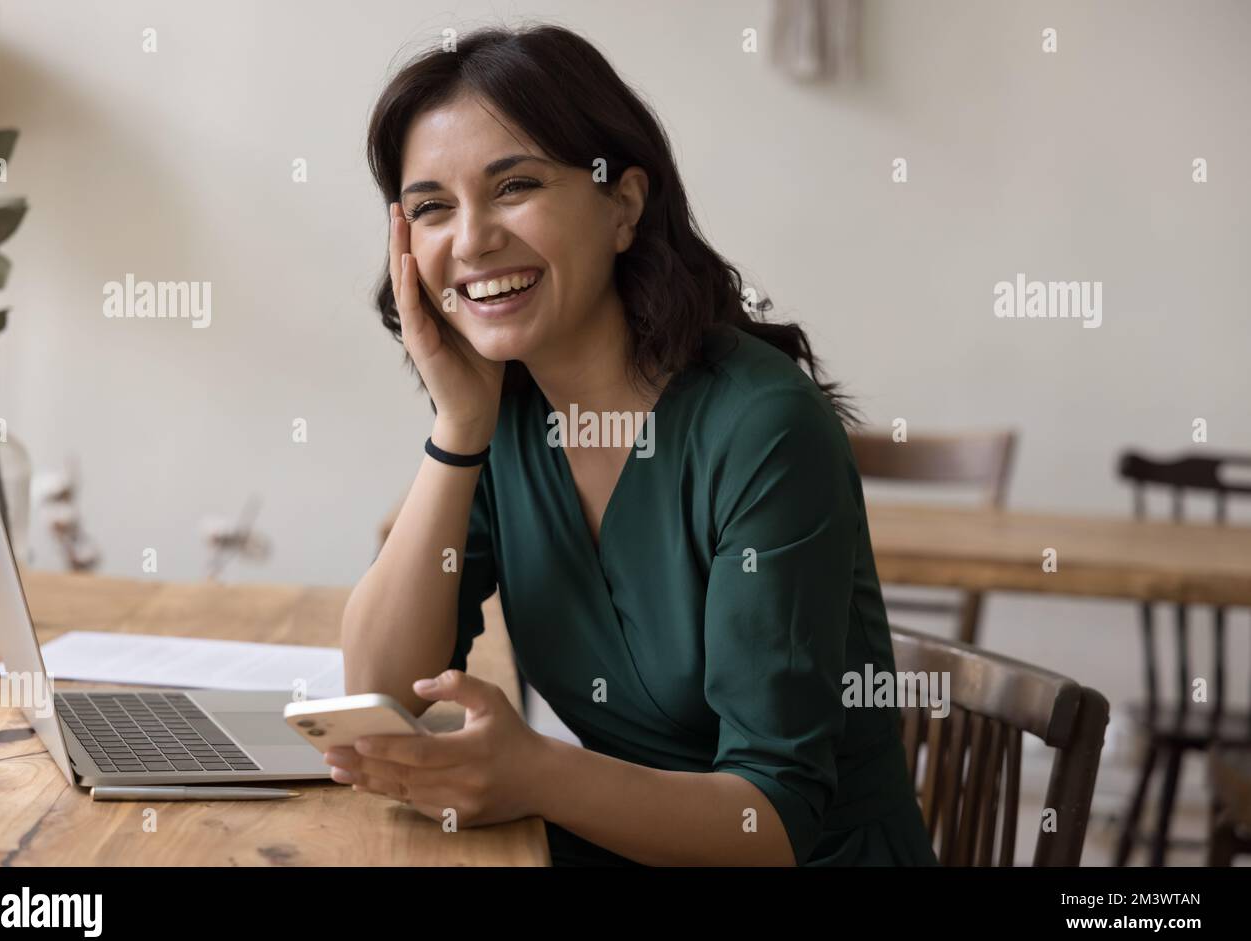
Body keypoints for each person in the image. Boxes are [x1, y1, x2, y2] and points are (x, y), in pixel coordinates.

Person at [332, 23, 938, 867]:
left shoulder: (763, 429)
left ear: (623, 206)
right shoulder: (501, 410)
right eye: (432, 206)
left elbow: (772, 819)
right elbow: (377, 690)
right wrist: (456, 429)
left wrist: (536, 773)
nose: (470, 240)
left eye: (515, 186)